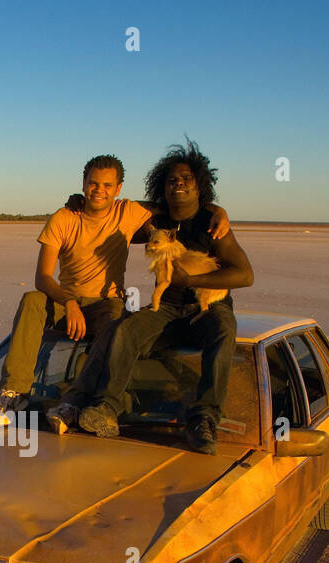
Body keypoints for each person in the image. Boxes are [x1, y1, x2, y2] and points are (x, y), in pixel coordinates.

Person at [0, 154, 229, 433]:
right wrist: (68, 302)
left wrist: (218, 211)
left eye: (107, 185)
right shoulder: (63, 217)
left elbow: (180, 201)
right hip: (65, 299)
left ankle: (76, 401)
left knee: (116, 318)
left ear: (118, 188)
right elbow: (43, 277)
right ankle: (14, 393)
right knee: (31, 299)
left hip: (106, 302)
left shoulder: (127, 212)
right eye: (93, 183)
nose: (99, 190)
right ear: (83, 183)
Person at [78, 139, 253, 453]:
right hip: (168, 307)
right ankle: (106, 407)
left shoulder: (212, 224)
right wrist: (80, 202)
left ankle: (203, 419)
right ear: (163, 185)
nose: (179, 185)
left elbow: (244, 274)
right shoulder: (154, 221)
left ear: (200, 185)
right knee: (127, 329)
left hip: (207, 305)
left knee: (224, 330)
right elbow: (112, 212)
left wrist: (194, 278)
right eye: (172, 180)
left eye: (187, 179)